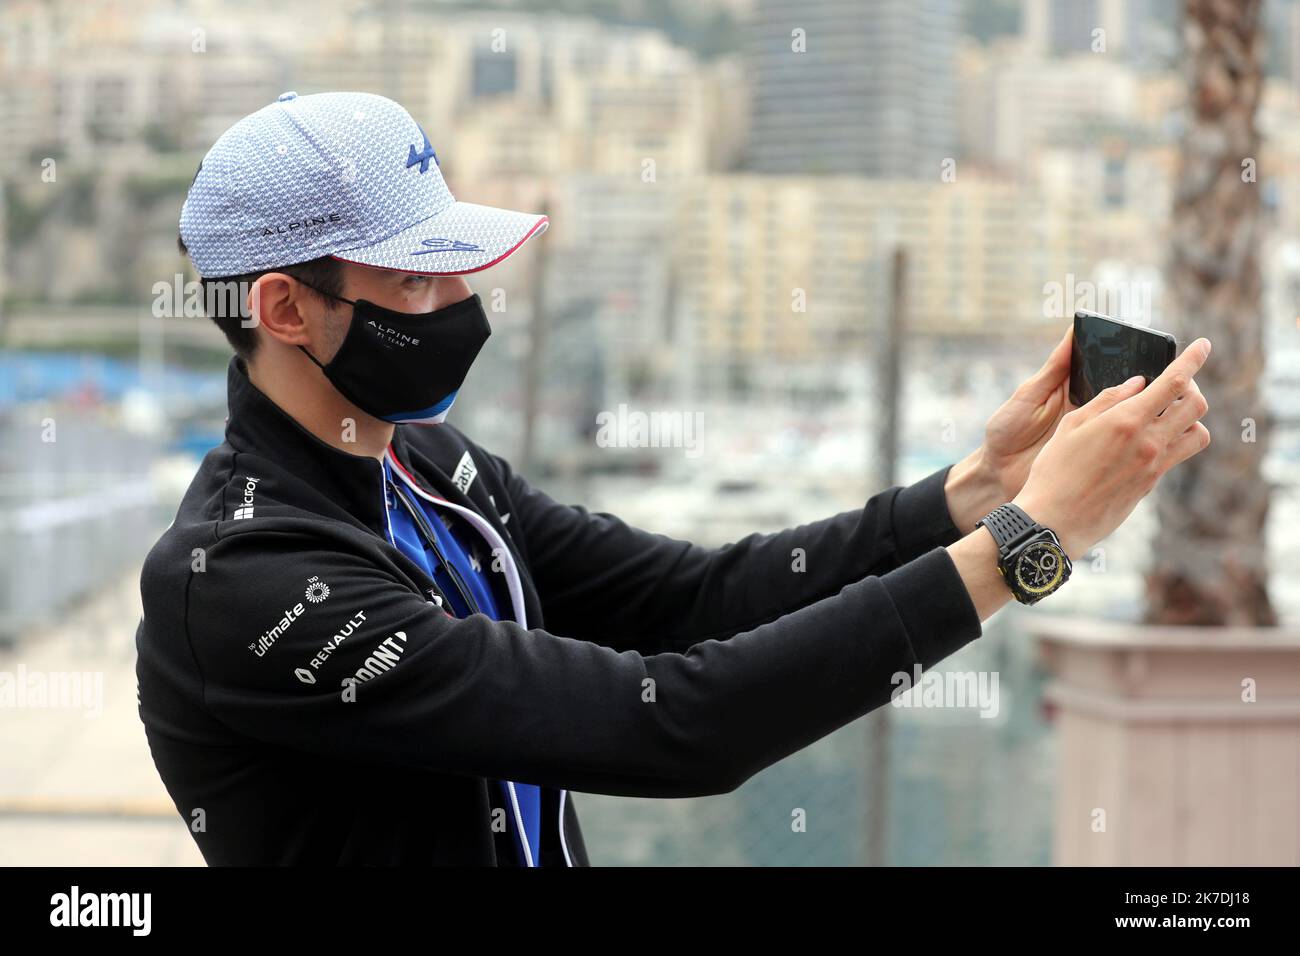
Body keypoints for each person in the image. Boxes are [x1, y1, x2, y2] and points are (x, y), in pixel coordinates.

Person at [135, 91, 1213, 866]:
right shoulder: (248, 581)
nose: (462, 295)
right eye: (416, 276)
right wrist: (1024, 547)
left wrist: (970, 492)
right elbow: (671, 724)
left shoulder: (422, 463)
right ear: (285, 310)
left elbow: (683, 600)